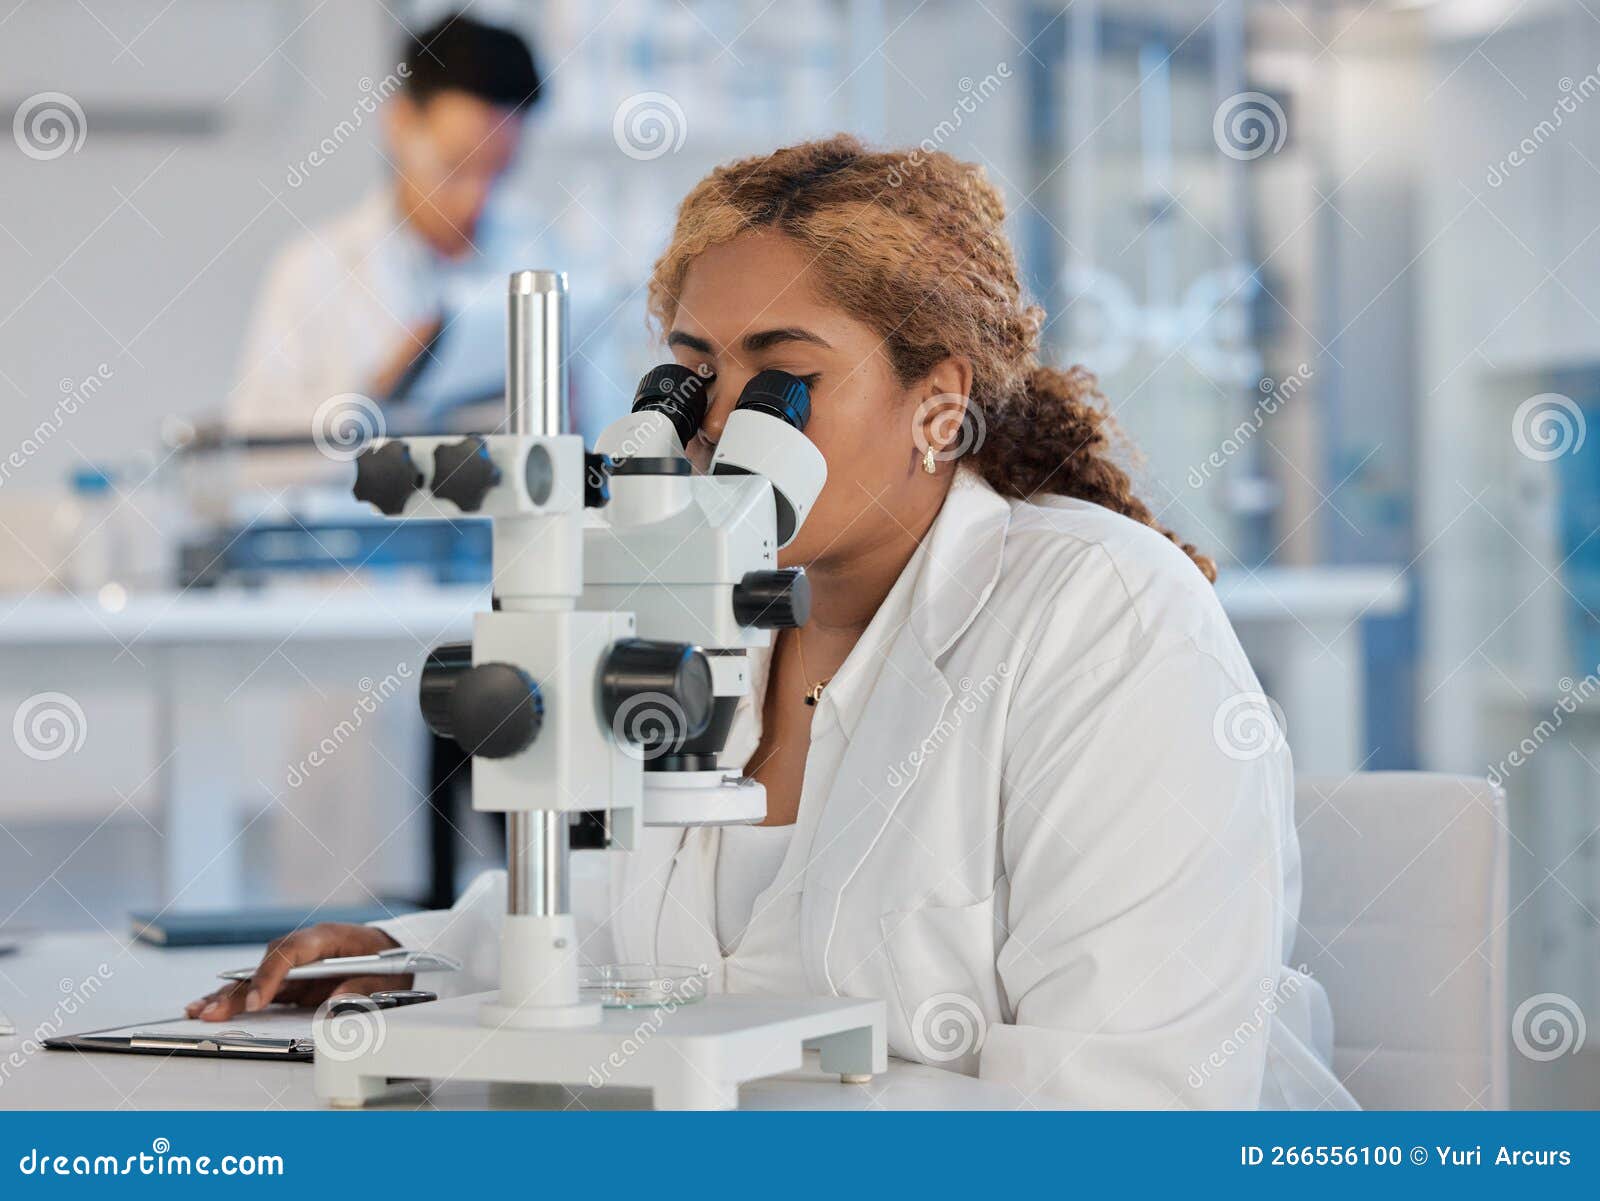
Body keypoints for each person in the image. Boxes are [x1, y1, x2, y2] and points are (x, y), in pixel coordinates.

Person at [191, 135, 1353, 1110]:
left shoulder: (1104, 619)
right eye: (690, 374)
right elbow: (622, 933)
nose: (714, 425)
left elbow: (1126, 1107)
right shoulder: (694, 604)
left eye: (782, 380)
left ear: (937, 404)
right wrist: (416, 957)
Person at [230, 13, 552, 438]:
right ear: (399, 123)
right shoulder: (312, 268)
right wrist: (379, 394)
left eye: (498, 171)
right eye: (455, 167)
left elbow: (605, 439)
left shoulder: (550, 257)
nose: (475, 198)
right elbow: (257, 454)